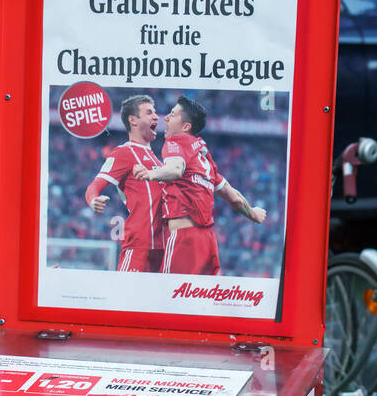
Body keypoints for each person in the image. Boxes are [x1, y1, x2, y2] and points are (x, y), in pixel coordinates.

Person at [133, 95, 267, 276]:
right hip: (208, 243)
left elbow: (176, 169)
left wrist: (150, 174)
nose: (166, 118)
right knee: (203, 301)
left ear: (186, 126)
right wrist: (254, 214)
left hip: (184, 239)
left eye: (172, 115)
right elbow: (234, 198)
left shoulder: (176, 141)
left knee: (166, 299)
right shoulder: (204, 159)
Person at [85, 94, 165, 273]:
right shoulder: (123, 153)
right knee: (124, 300)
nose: (156, 117)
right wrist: (93, 199)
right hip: (140, 247)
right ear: (133, 120)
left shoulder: (157, 161)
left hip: (163, 247)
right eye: (149, 112)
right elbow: (94, 186)